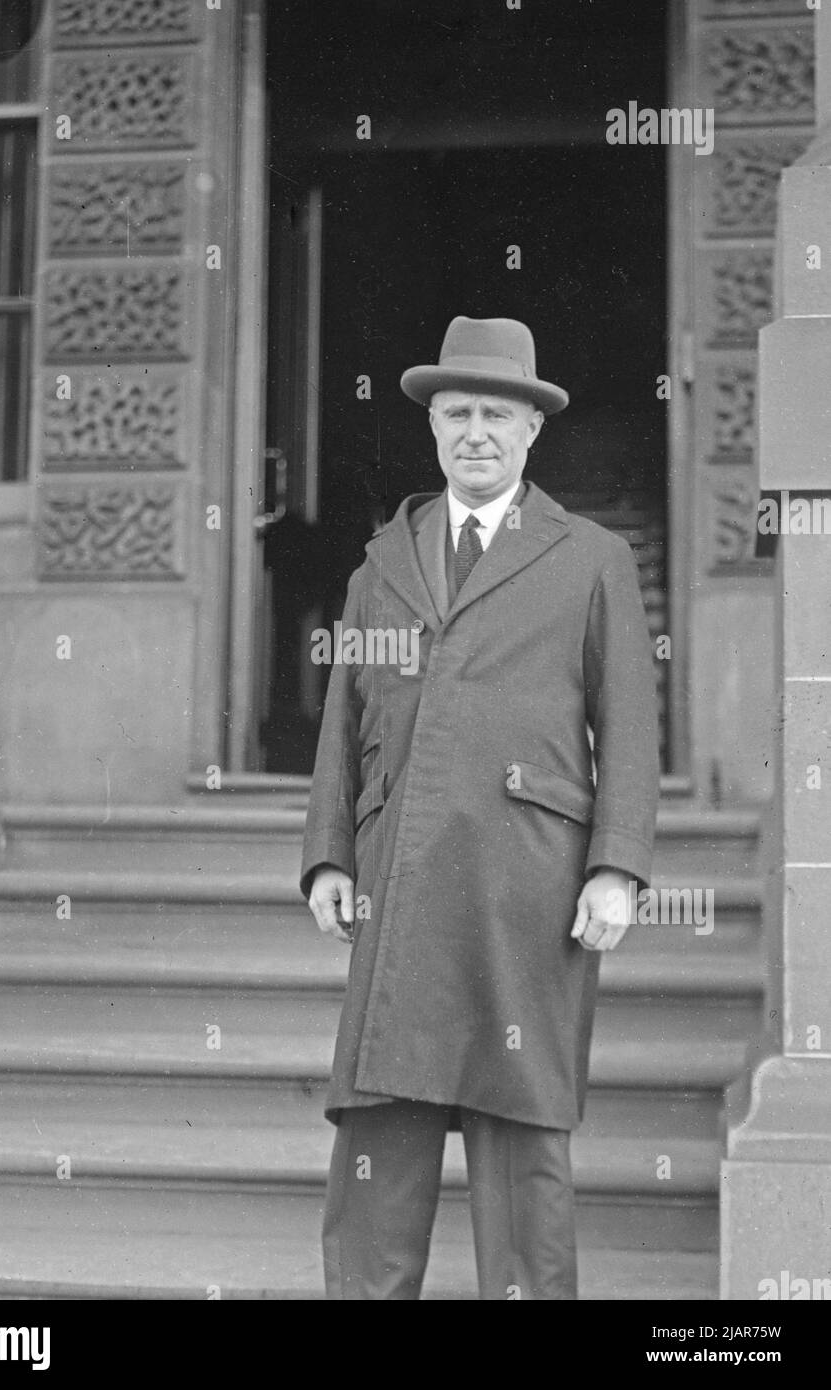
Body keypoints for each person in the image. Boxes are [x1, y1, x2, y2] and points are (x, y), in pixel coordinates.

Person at [301, 316, 659, 1300]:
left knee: (522, 1144)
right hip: (399, 886)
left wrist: (616, 868)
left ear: (529, 430)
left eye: (494, 415)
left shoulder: (589, 559)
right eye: (456, 413)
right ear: (431, 425)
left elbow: (627, 724)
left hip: (525, 890)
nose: (474, 432)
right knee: (380, 1130)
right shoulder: (383, 562)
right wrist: (329, 855)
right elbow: (344, 716)